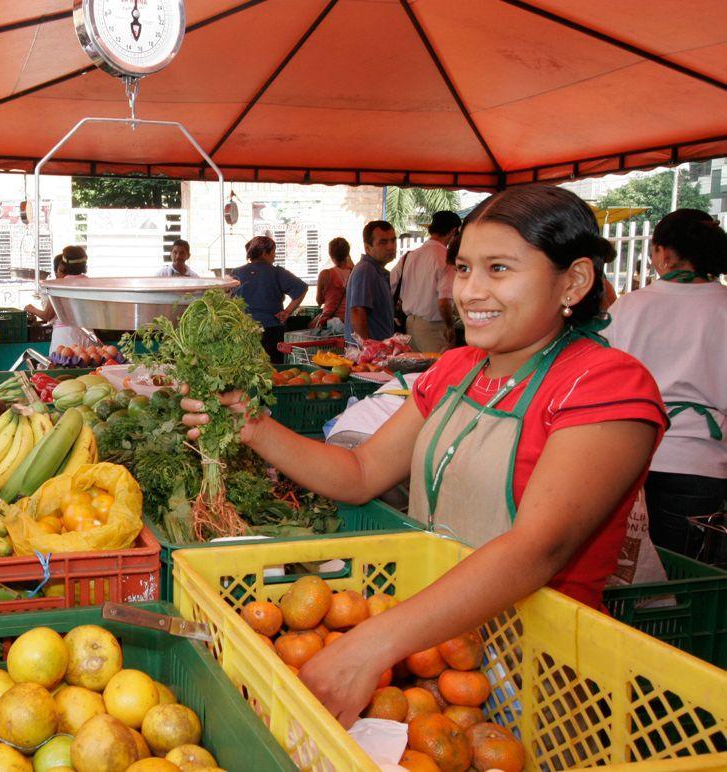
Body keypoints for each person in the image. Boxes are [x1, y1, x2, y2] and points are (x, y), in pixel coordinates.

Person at [183, 185, 666, 727]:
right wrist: (254, 427)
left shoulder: (607, 386)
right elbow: (362, 471)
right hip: (431, 648)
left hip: (539, 674)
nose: (471, 290)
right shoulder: (458, 369)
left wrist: (371, 644)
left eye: (499, 269)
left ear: (573, 280)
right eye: (463, 268)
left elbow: (538, 549)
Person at [605, 209, 727, 557]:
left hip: (630, 454)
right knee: (682, 568)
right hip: (700, 462)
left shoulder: (627, 307)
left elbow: (605, 382)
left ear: (663, 253)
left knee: (626, 566)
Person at [390, 210, 461, 352]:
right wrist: (450, 327)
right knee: (438, 371)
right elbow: (444, 301)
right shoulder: (446, 259)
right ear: (453, 231)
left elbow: (390, 287)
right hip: (433, 328)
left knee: (414, 372)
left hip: (408, 326)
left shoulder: (409, 256)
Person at [230, 236, 308, 364]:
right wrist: (287, 312)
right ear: (264, 253)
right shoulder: (277, 272)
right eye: (273, 252)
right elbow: (302, 289)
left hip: (243, 330)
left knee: (247, 367)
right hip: (272, 330)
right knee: (274, 370)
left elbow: (227, 297)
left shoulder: (237, 273)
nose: (274, 256)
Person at [33, 245, 100, 352]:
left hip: (64, 339)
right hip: (88, 337)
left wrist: (30, 308)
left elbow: (47, 316)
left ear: (63, 266)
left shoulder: (59, 285)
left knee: (62, 366)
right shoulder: (91, 284)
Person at [346, 220, 397, 343]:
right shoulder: (366, 270)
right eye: (383, 242)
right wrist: (367, 349)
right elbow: (357, 312)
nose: (391, 247)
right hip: (369, 356)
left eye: (393, 240)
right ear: (367, 248)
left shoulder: (377, 271)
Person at [312, 237, 353, 330]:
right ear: (347, 253)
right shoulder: (355, 273)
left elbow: (319, 301)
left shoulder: (325, 274)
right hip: (349, 322)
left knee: (310, 326)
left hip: (329, 322)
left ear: (330, 254)